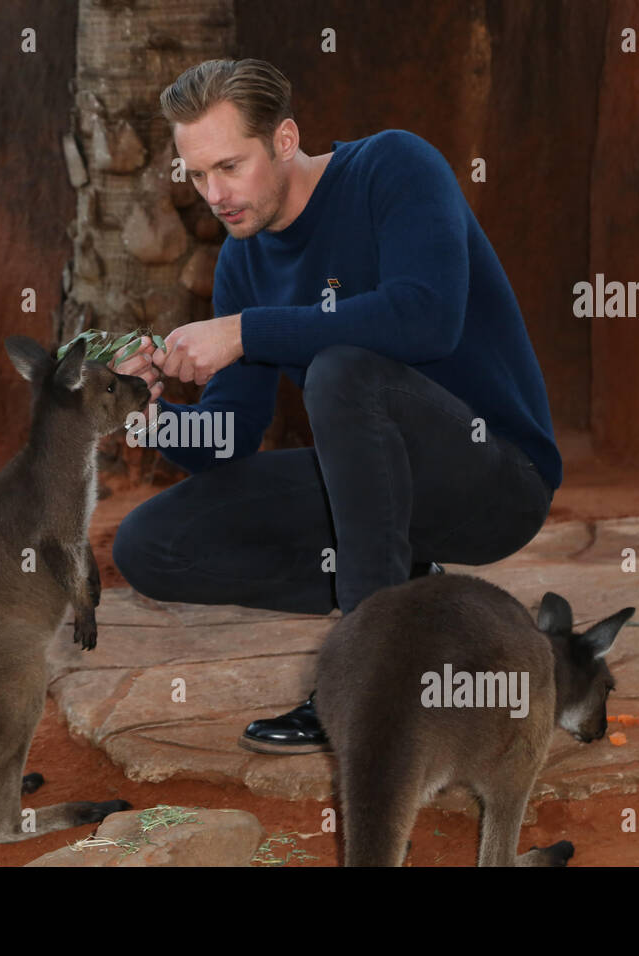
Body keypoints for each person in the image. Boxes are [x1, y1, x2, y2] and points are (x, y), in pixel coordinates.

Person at [109, 59, 559, 755]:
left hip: (495, 477)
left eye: (230, 166)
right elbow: (229, 439)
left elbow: (426, 318)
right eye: (197, 175)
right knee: (151, 545)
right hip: (376, 486)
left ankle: (368, 682)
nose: (215, 194)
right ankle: (406, 593)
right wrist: (148, 410)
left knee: (341, 372)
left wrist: (243, 332)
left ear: (284, 139)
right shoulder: (244, 261)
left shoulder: (393, 167)